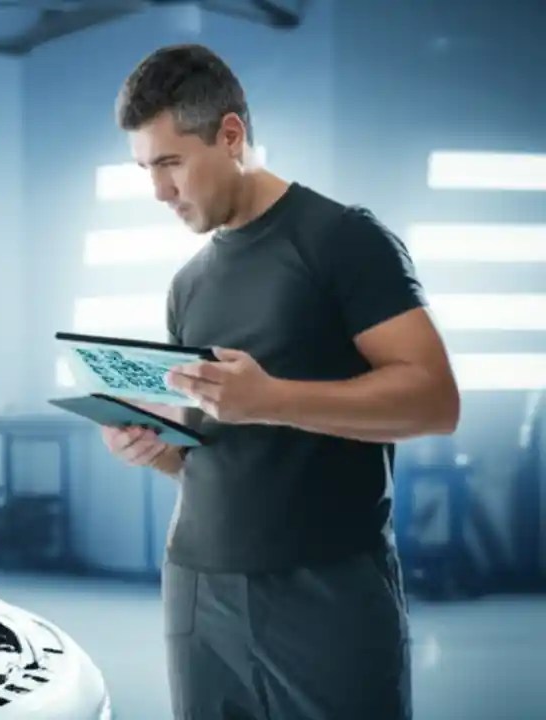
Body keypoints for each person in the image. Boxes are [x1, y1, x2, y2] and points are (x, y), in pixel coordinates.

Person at [102, 44, 460, 720]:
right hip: (196, 585)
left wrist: (273, 399)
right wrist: (153, 446)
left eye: (171, 163)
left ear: (230, 135)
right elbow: (208, 455)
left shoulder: (342, 240)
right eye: (146, 169)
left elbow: (435, 400)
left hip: (325, 586)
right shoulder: (188, 284)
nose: (159, 191)